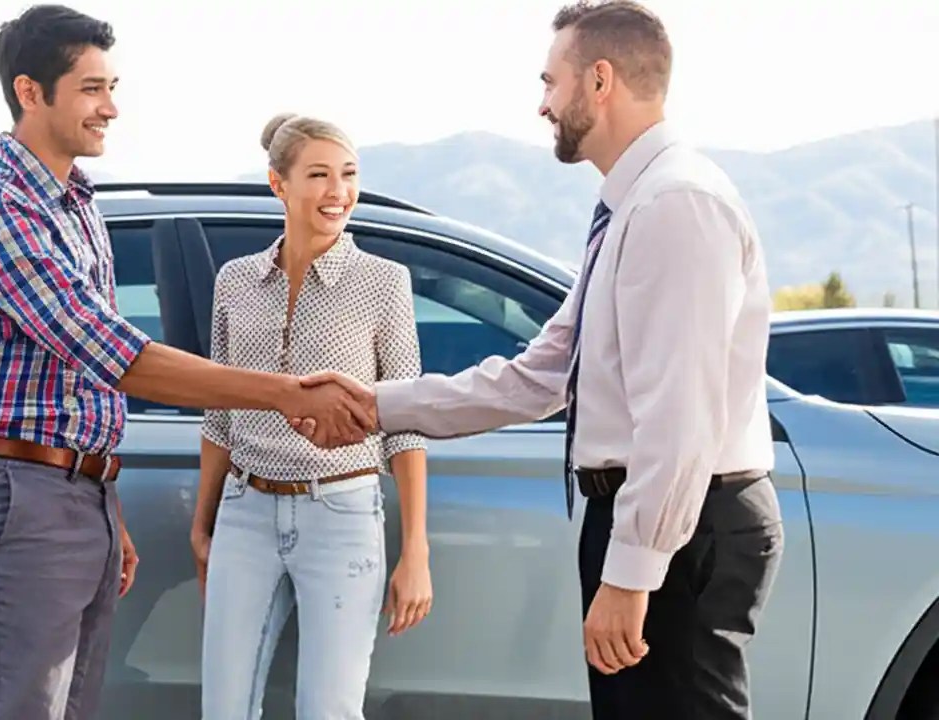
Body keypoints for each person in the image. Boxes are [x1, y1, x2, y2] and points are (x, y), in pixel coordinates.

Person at [296, 2, 784, 718]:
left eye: (551, 82)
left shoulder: (675, 205)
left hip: (683, 529)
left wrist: (632, 574)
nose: (542, 103)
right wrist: (376, 405)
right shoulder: (632, 206)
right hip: (656, 521)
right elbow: (545, 373)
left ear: (601, 80)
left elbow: (681, 418)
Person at [0, 7, 372, 720]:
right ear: (31, 92)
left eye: (112, 86)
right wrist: (285, 393)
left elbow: (79, 383)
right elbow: (113, 354)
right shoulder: (2, 207)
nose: (112, 108)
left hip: (66, 492)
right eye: (92, 89)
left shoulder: (72, 202)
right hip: (14, 494)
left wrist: (100, 500)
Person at [191, 114, 433, 719]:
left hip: (344, 514)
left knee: (329, 711)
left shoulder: (384, 283)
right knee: (224, 709)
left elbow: (403, 424)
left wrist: (416, 551)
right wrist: (204, 521)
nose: (338, 192)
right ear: (279, 184)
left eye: (348, 175)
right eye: (319, 175)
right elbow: (220, 413)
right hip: (244, 513)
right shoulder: (235, 281)